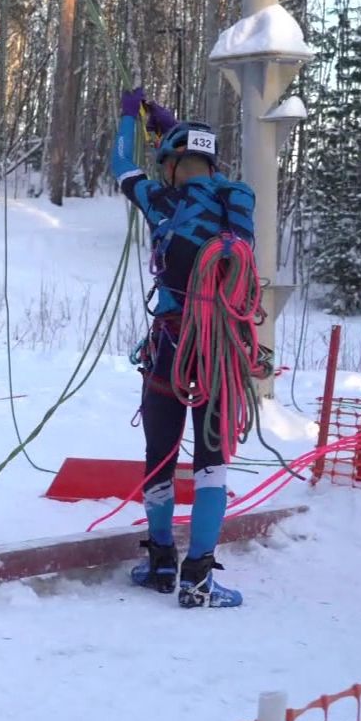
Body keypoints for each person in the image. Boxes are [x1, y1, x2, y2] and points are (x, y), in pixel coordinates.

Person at [112, 88, 254, 609]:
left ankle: (160, 564)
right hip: (219, 351)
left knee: (159, 459)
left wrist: (131, 117)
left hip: (169, 349)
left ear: (171, 165)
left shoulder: (158, 198)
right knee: (212, 463)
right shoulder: (237, 198)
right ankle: (198, 579)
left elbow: (121, 163)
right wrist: (166, 128)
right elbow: (194, 169)